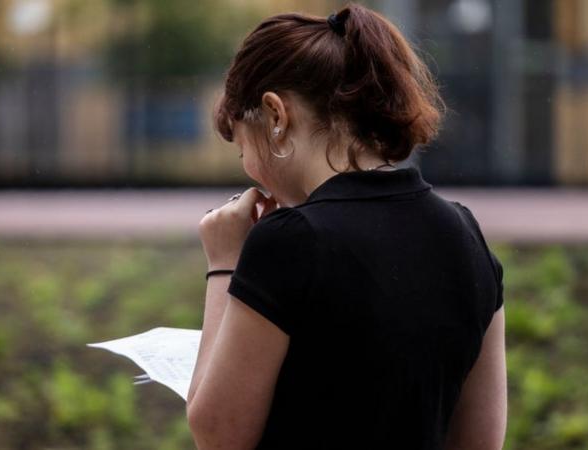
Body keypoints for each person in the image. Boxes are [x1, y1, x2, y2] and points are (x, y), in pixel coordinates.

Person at [187, 3, 506, 449]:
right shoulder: (464, 232)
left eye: (243, 147)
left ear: (276, 116)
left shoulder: (289, 243)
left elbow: (218, 434)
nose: (247, 168)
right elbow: (481, 440)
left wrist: (224, 264)